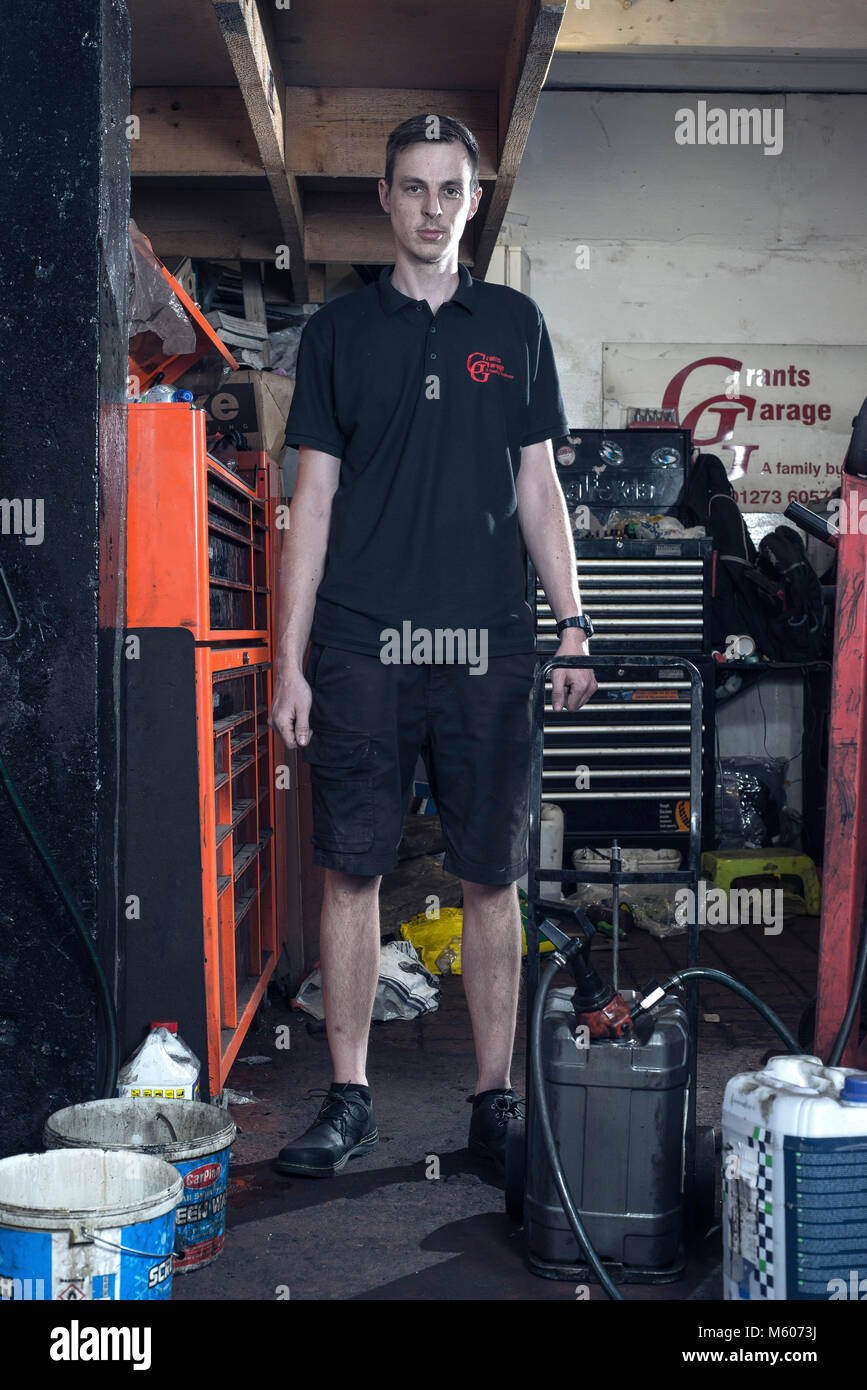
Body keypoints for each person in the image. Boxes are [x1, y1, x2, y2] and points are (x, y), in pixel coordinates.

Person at [269, 113, 596, 1178]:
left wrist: (573, 625)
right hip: (361, 642)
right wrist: (290, 659)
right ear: (385, 198)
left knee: (492, 874)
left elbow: (539, 487)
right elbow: (309, 503)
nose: (429, 207)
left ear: (470, 201)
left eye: (447, 189)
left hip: (492, 644)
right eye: (411, 188)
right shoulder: (337, 335)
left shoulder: (516, 323)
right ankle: (351, 1094)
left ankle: (493, 1099)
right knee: (351, 869)